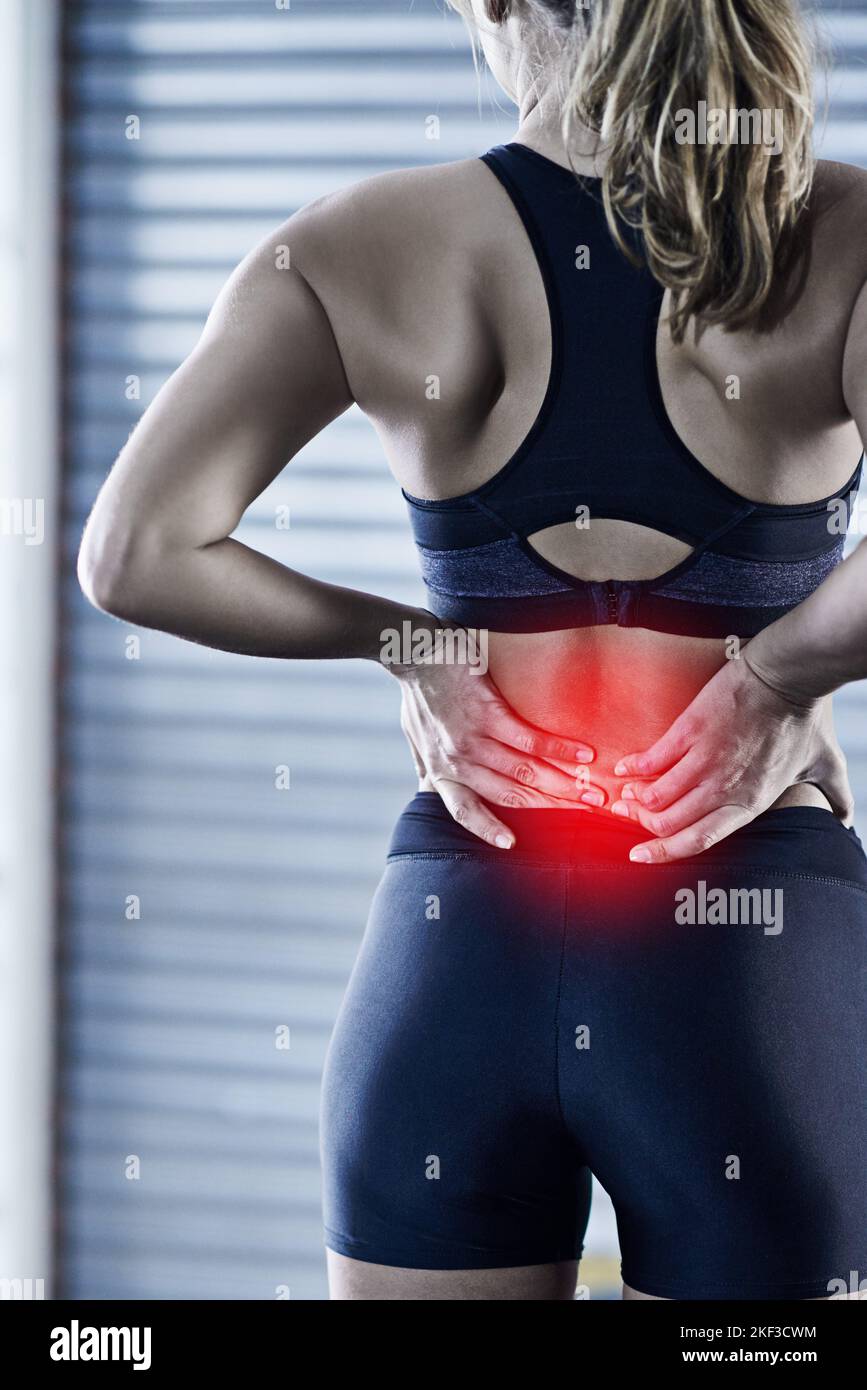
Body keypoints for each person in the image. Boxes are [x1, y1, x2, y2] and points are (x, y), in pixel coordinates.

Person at [78, 0, 867, 1300]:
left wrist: (409, 642)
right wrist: (783, 667)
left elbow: (134, 550)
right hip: (749, 959)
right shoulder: (836, 233)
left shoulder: (359, 247)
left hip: (458, 950)